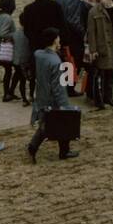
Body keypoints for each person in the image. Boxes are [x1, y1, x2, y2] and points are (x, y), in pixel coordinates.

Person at [28, 26, 79, 162]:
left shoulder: (39, 54)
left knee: (45, 125)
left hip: (42, 95)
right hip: (53, 98)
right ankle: (64, 151)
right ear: (54, 40)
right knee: (64, 123)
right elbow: (58, 87)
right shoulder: (55, 62)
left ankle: (33, 146)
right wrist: (64, 105)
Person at [85, 0, 113, 109]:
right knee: (99, 74)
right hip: (101, 47)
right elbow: (91, 32)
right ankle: (98, 99)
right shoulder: (94, 11)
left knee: (111, 73)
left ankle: (109, 97)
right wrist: (93, 49)